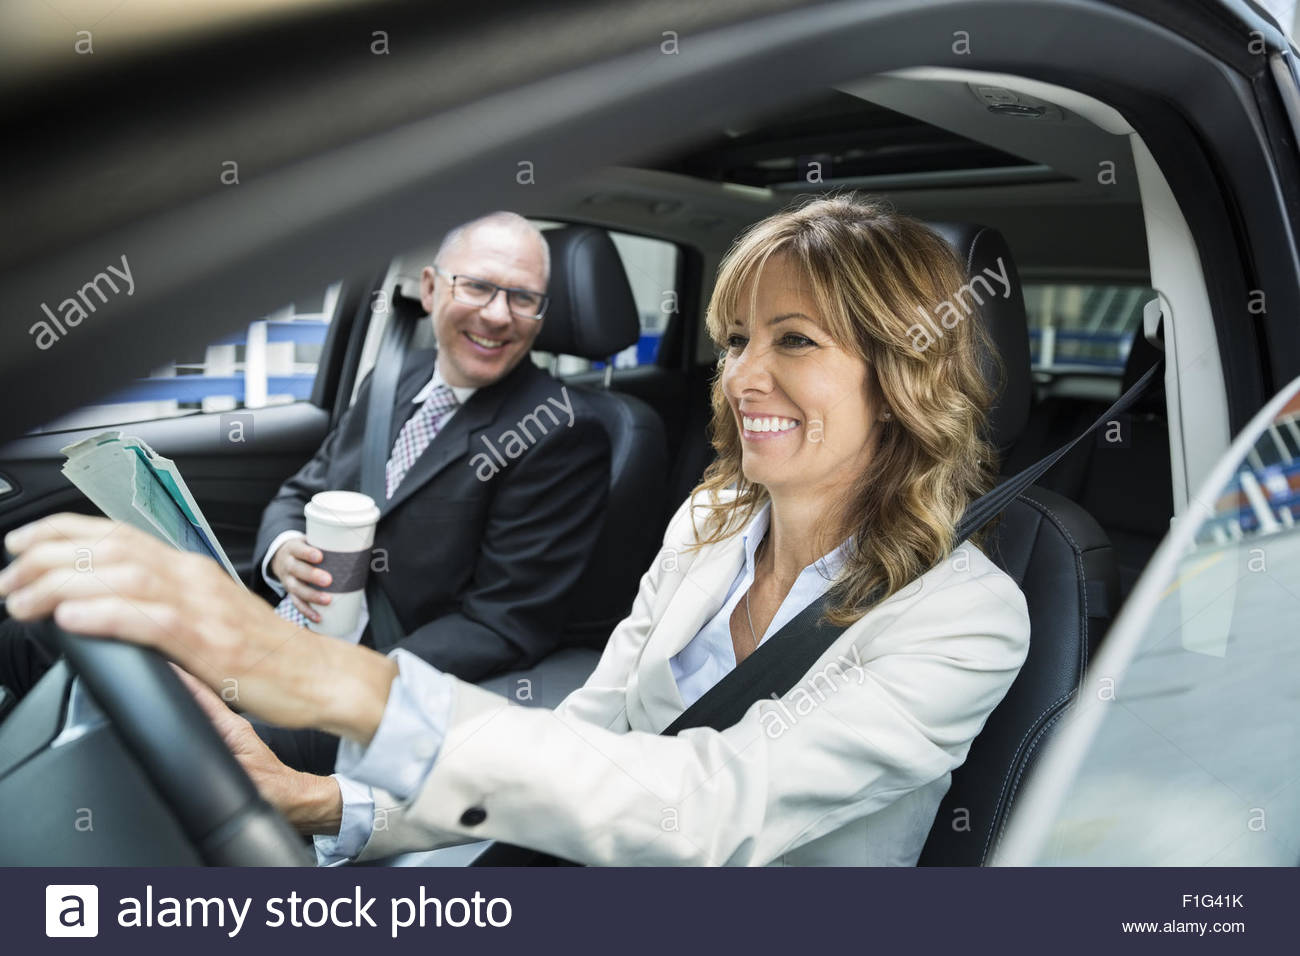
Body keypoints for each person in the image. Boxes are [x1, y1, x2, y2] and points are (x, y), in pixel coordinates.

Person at [0, 195, 1031, 866]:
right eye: (734, 341)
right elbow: (585, 743)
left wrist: (327, 676)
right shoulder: (713, 522)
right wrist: (321, 802)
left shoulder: (969, 616)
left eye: (793, 340)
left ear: (904, 373)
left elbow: (712, 808)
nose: (742, 376)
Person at [0, 211, 613, 777]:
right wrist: (283, 548)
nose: (498, 314)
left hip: (367, 681)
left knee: (172, 728)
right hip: (275, 628)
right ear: (430, 289)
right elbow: (302, 488)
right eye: (477, 286)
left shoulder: (559, 430)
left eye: (523, 297)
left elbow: (503, 624)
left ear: (541, 313)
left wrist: (327, 676)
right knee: (41, 629)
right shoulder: (393, 377)